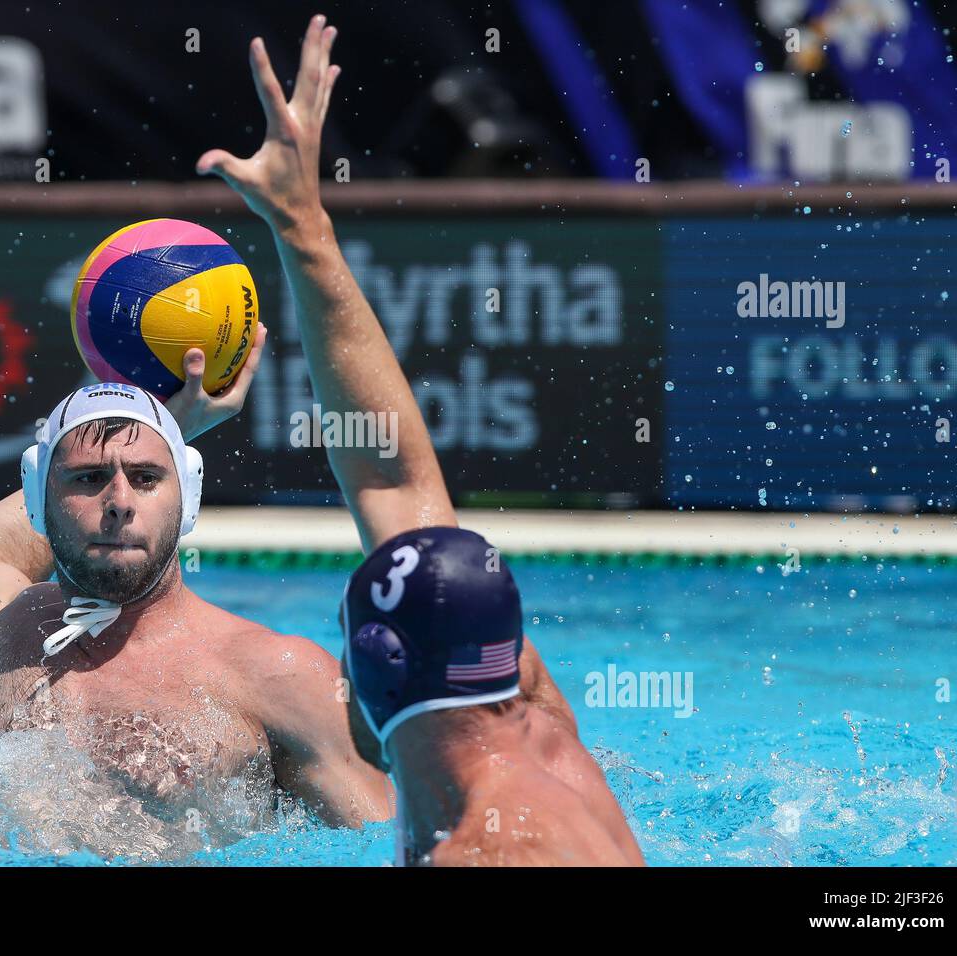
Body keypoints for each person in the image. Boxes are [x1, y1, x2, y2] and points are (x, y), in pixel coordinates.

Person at [196, 14, 645, 865]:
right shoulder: (539, 733)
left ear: (377, 667)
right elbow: (394, 477)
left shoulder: (485, 851)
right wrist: (302, 226)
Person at [0, 361, 391, 835]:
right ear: (38, 499)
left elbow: (389, 845)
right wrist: (171, 423)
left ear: (187, 497)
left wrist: (161, 432)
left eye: (146, 477)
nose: (120, 502)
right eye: (89, 478)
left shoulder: (282, 676)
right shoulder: (14, 629)